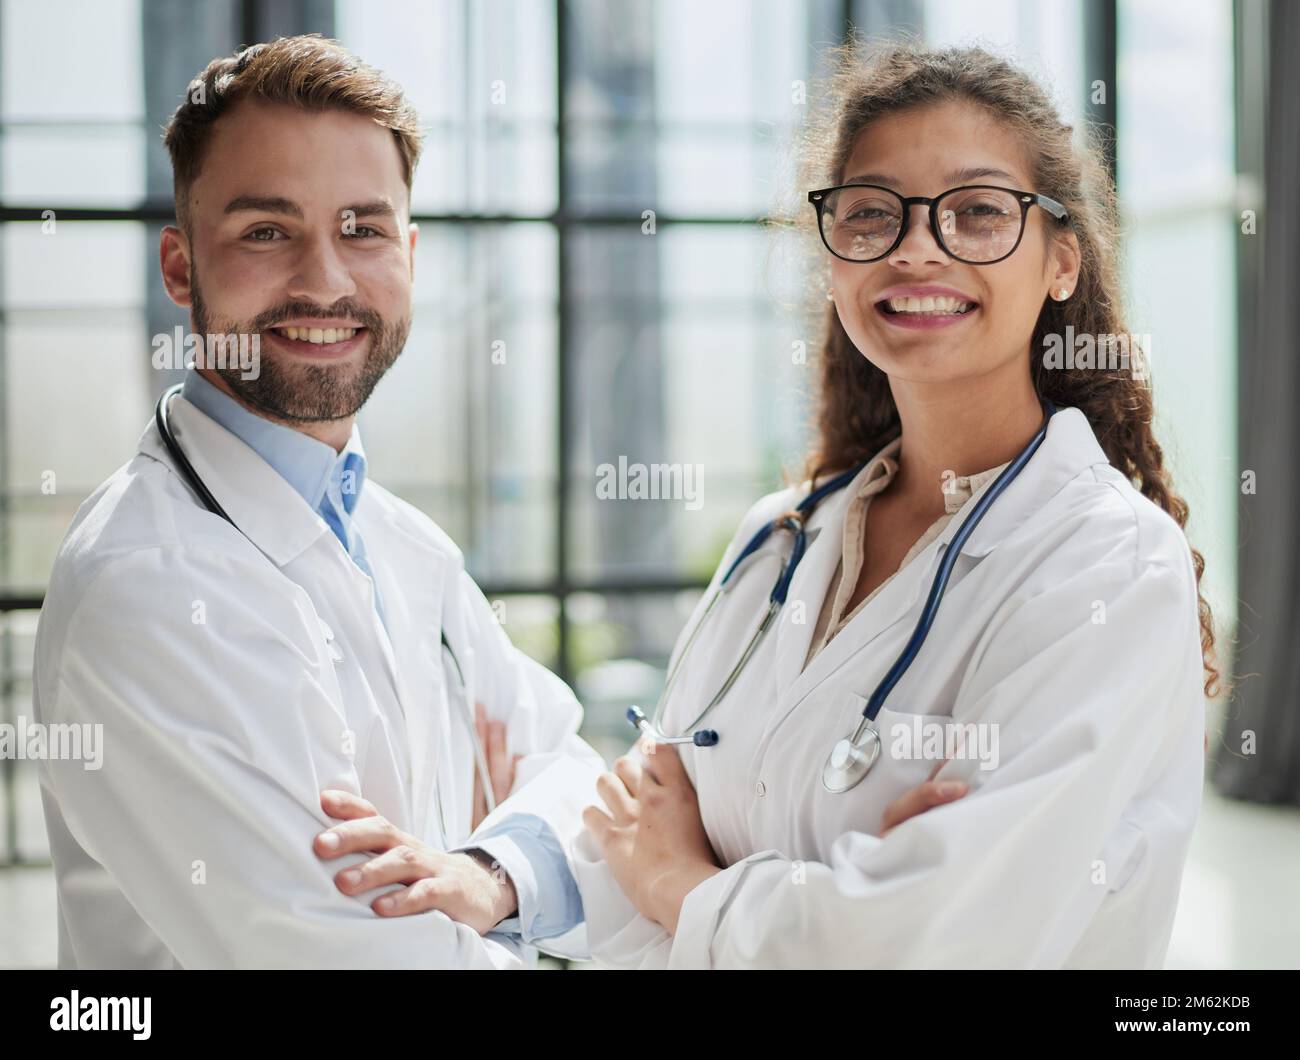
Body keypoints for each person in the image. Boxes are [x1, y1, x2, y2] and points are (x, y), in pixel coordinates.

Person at [572, 41, 1218, 969]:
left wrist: (686, 884)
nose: (919, 248)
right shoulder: (777, 537)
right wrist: (840, 891)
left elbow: (942, 944)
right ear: (834, 257)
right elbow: (630, 828)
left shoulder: (1107, 566)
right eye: (874, 214)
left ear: (1062, 261)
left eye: (979, 212)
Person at [32, 35, 606, 969]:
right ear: (180, 268)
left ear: (409, 254)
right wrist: (524, 886)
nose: (326, 281)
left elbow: (587, 795)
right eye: (267, 230)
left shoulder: (405, 546)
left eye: (362, 229)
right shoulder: (149, 586)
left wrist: (488, 877)